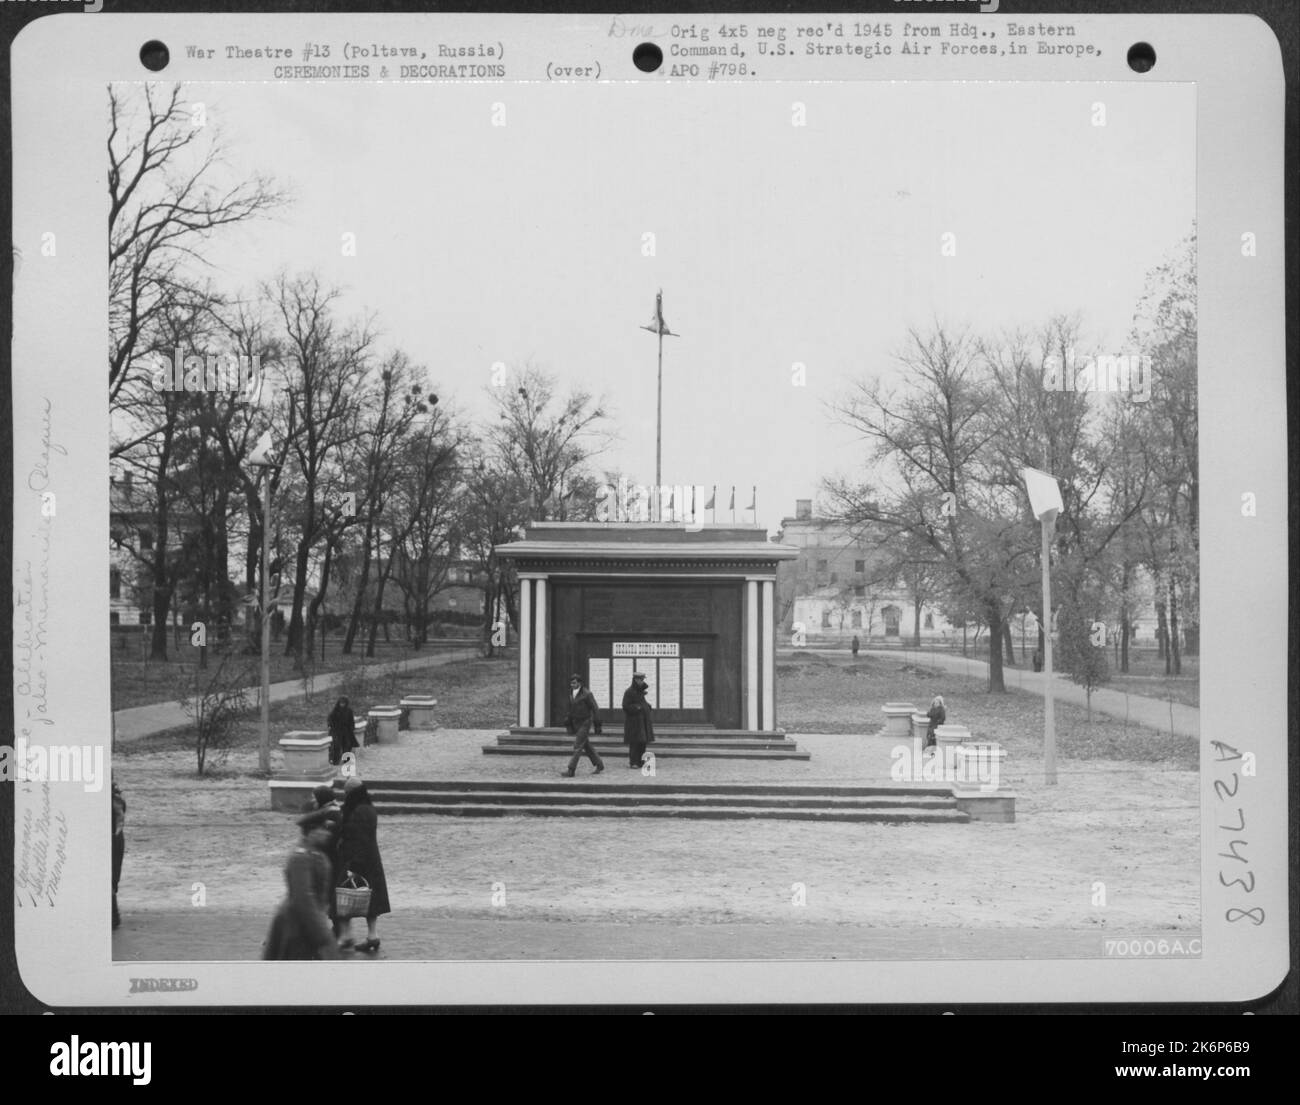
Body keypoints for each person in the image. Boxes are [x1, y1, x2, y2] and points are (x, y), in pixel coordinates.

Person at [262, 825, 340, 960]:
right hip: (295, 926)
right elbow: (304, 898)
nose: (327, 833)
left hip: (307, 923)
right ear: (311, 833)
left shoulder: (317, 854)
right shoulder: (300, 858)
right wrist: (323, 936)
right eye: (322, 829)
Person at [336, 777, 390, 954]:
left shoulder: (357, 812)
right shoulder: (369, 809)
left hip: (355, 860)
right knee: (371, 901)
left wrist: (353, 866)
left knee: (344, 897)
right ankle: (372, 936)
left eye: (347, 794)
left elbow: (356, 839)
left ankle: (345, 936)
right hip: (372, 860)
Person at [561, 673, 605, 777]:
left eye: (574, 683)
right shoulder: (571, 692)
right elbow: (570, 708)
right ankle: (599, 764)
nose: (572, 685)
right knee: (586, 745)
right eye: (571, 683)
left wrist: (597, 724)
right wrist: (568, 719)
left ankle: (571, 770)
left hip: (585, 722)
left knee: (577, 745)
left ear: (579, 683)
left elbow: (595, 708)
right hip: (576, 722)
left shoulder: (587, 694)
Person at [622, 671, 655, 769]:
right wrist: (638, 708)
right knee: (634, 742)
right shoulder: (629, 691)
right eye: (640, 679)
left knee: (642, 742)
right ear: (635, 680)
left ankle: (641, 761)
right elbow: (625, 706)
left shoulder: (640, 691)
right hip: (634, 722)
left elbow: (642, 702)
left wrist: (647, 706)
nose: (642, 681)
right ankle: (633, 762)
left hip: (642, 721)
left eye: (643, 679)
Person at [111, 781, 126, 930]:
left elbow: (120, 820)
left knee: (111, 877)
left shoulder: (114, 801)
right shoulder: (115, 799)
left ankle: (113, 916)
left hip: (113, 840)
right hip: (114, 839)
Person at [327, 696, 358, 766]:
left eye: (343, 703)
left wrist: (352, 728)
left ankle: (346, 760)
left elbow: (351, 721)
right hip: (337, 731)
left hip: (346, 731)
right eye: (341, 703)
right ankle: (335, 760)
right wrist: (330, 725)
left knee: (347, 746)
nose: (342, 705)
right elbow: (330, 719)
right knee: (336, 746)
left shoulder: (349, 711)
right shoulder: (335, 710)